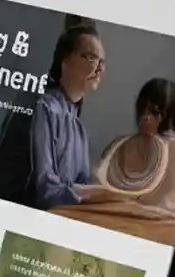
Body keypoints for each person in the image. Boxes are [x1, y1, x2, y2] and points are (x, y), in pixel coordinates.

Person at [27, 24, 118, 209]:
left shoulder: (79, 129)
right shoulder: (45, 108)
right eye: (91, 57)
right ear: (65, 60)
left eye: (102, 62)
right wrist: (99, 193)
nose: (99, 69)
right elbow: (46, 189)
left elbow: (81, 184)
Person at [94, 78, 175, 209]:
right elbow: (98, 187)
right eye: (142, 107)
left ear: (170, 114)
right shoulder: (119, 144)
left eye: (155, 111)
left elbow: (167, 200)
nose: (145, 116)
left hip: (148, 217)